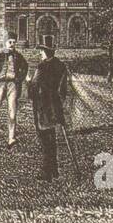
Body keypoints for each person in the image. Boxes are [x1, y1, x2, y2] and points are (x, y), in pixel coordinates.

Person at [28, 44, 72, 181]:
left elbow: (35, 86)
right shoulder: (61, 66)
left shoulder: (42, 67)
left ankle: (47, 171)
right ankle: (54, 170)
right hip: (56, 106)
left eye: (41, 51)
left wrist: (29, 83)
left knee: (45, 138)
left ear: (46, 52)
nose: (40, 53)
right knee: (51, 137)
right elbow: (64, 88)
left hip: (43, 106)